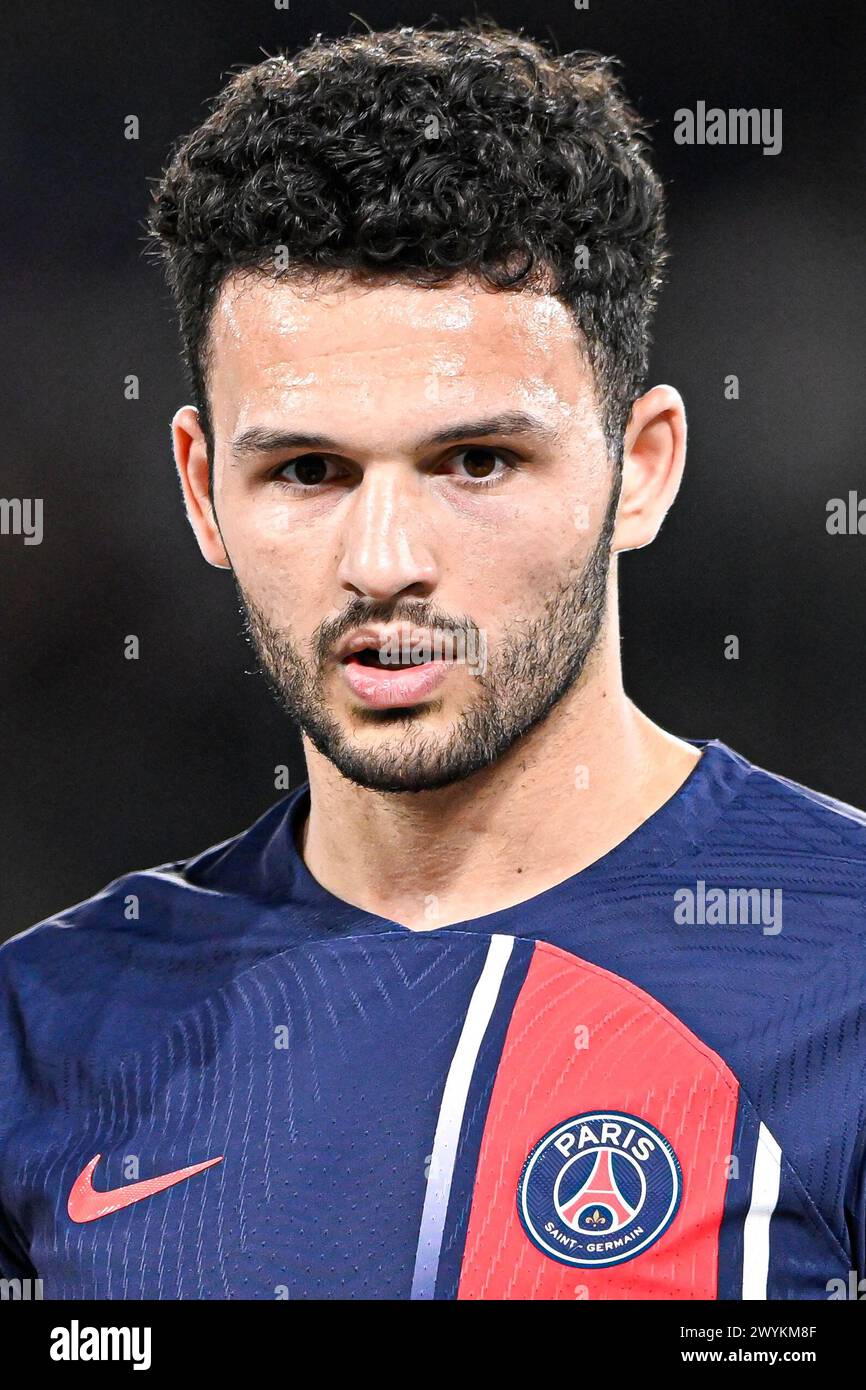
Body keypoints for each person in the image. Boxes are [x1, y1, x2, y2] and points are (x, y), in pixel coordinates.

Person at [2, 23, 864, 1301]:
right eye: (307, 470)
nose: (384, 558)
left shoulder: (845, 974)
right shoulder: (44, 1031)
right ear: (199, 490)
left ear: (643, 467)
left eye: (475, 461)